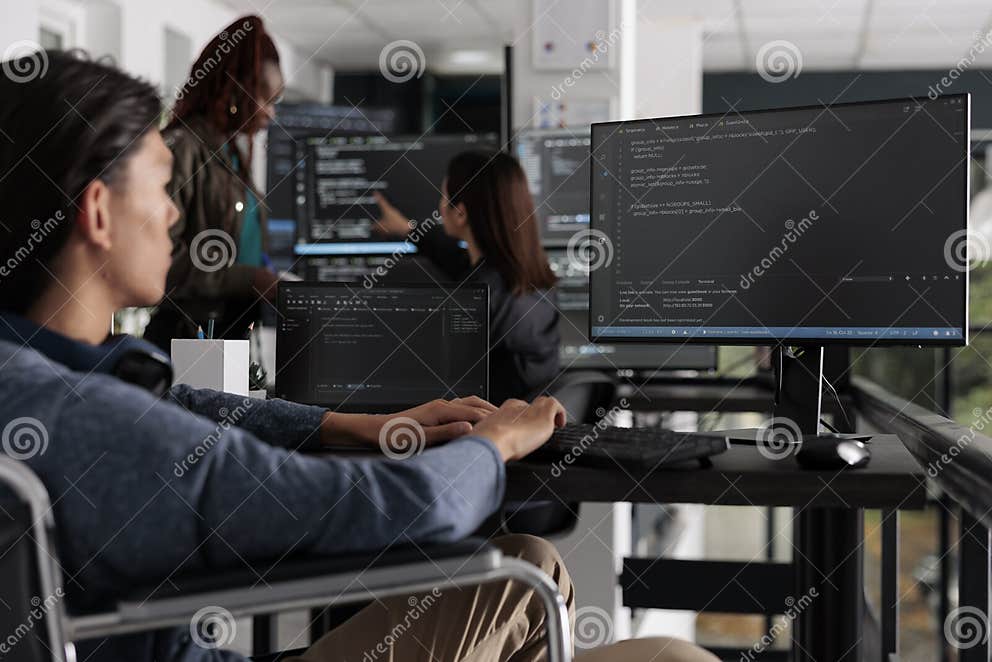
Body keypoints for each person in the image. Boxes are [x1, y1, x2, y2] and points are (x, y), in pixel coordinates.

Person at [0, 51, 719, 662]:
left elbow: (188, 405)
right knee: (656, 647)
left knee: (529, 561)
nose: (176, 213)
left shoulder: (43, 369)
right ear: (97, 211)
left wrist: (352, 425)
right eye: (161, 186)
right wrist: (496, 442)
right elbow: (389, 510)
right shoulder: (84, 414)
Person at [143, 15, 284, 352]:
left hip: (230, 336)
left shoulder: (232, 154)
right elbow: (161, 260)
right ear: (235, 88)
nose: (271, 114)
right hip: (187, 341)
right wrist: (250, 279)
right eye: (267, 98)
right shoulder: (181, 148)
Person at [375, 151, 561, 404]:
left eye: (444, 197)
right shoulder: (532, 277)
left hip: (485, 428)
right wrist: (409, 230)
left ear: (460, 213)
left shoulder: (478, 297)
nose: (440, 206)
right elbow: (457, 260)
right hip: (522, 424)